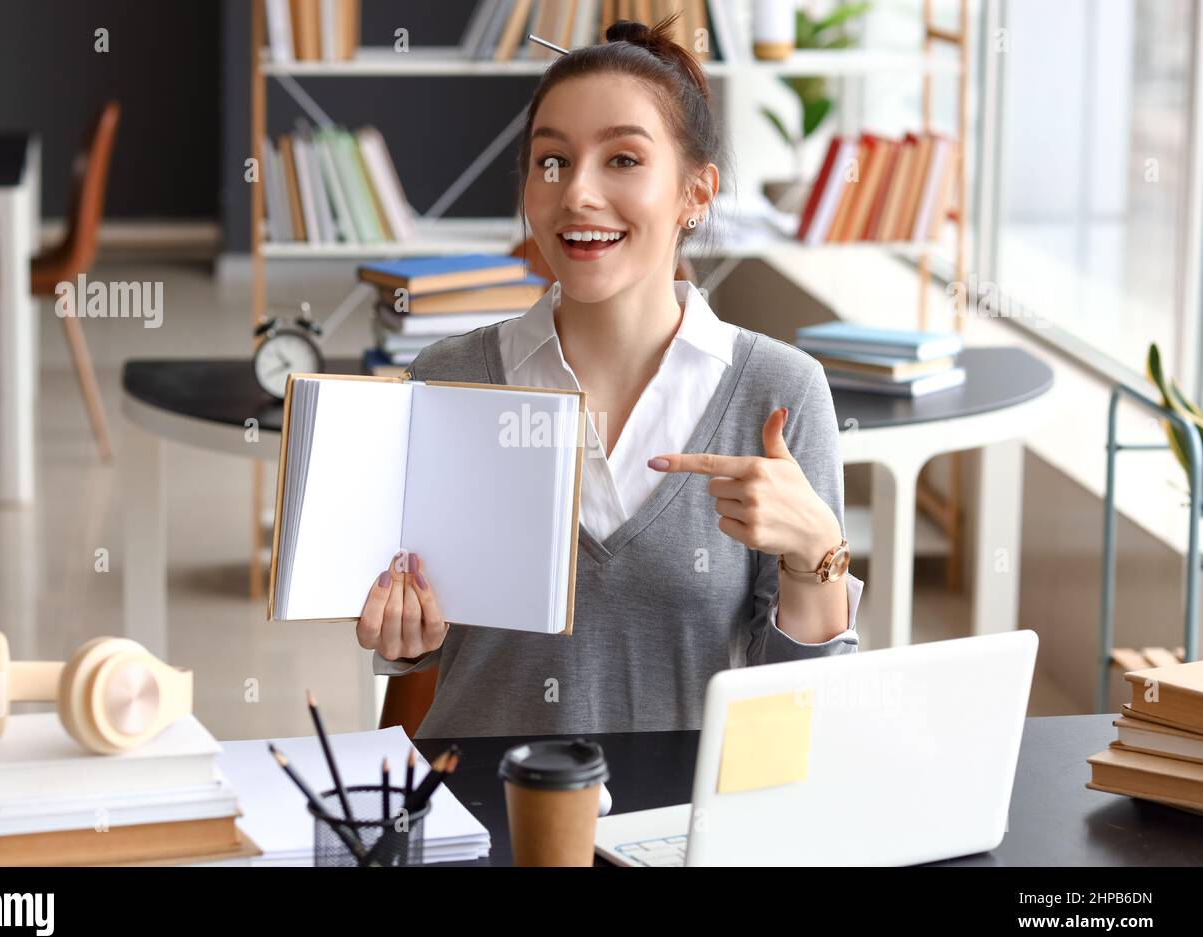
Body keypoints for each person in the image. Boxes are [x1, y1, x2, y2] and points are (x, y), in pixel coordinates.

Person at [355, 15, 862, 737]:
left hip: (684, 828)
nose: (578, 194)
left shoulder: (781, 391)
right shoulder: (448, 378)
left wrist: (817, 556)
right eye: (551, 161)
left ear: (696, 192)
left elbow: (801, 709)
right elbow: (421, 662)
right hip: (485, 817)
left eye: (623, 159)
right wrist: (406, 638)